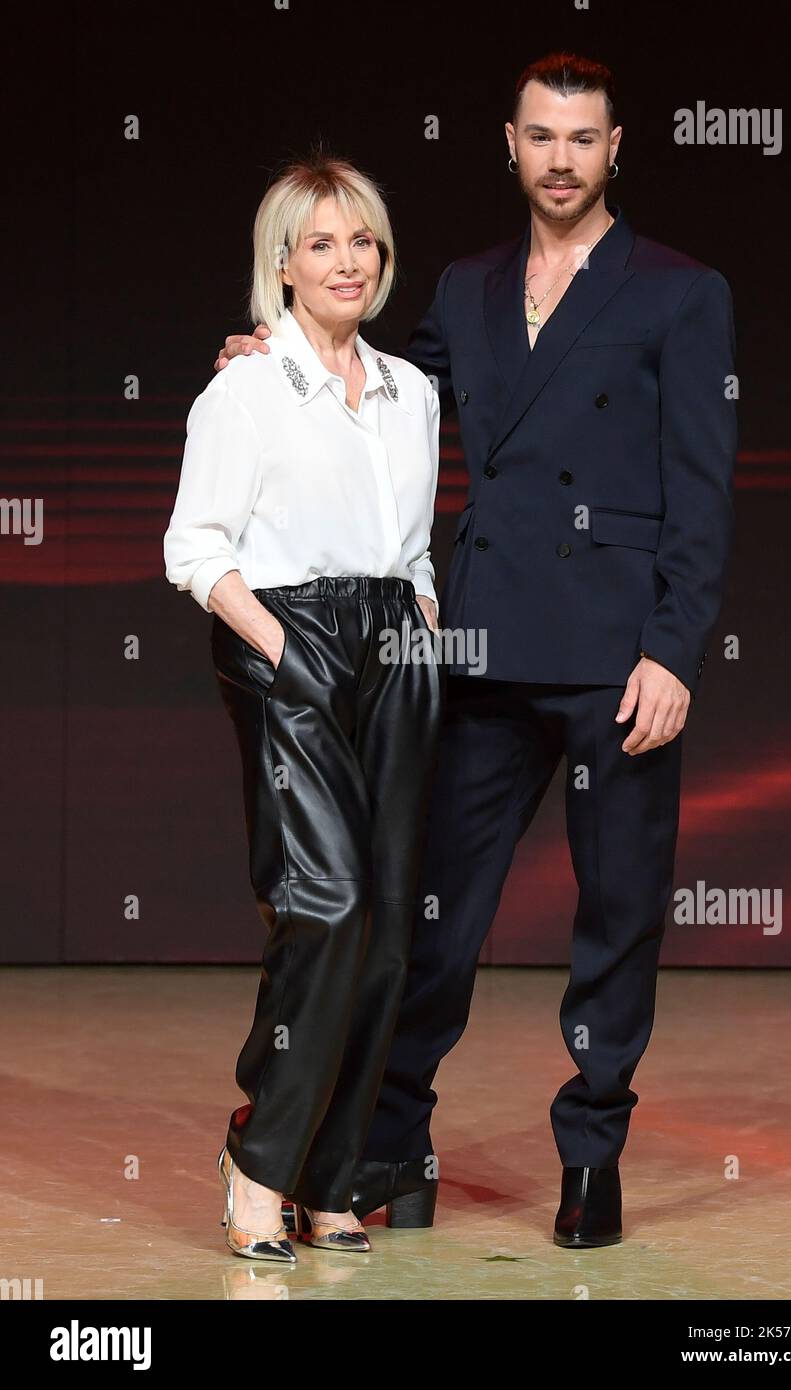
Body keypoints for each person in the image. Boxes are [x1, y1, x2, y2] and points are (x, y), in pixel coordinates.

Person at [215, 51, 737, 1248]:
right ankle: (386, 1145)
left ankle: (590, 1155)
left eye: (583, 138)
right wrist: (279, 350)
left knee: (614, 919)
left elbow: (702, 492)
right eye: (541, 137)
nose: (561, 159)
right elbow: (388, 390)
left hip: (618, 665)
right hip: (484, 648)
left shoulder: (678, 291)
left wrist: (673, 648)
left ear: (616, 149)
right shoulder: (463, 286)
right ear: (508, 144)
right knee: (429, 917)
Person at [164, 156, 442, 1259]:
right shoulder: (244, 386)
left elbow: (413, 542)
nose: (345, 261)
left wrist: (416, 619)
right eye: (319, 243)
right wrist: (289, 652)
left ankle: (333, 1177)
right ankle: (257, 1155)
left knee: (383, 932)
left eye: (361, 241)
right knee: (323, 908)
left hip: (394, 643)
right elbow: (194, 548)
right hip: (285, 639)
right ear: (279, 265)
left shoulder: (412, 391)